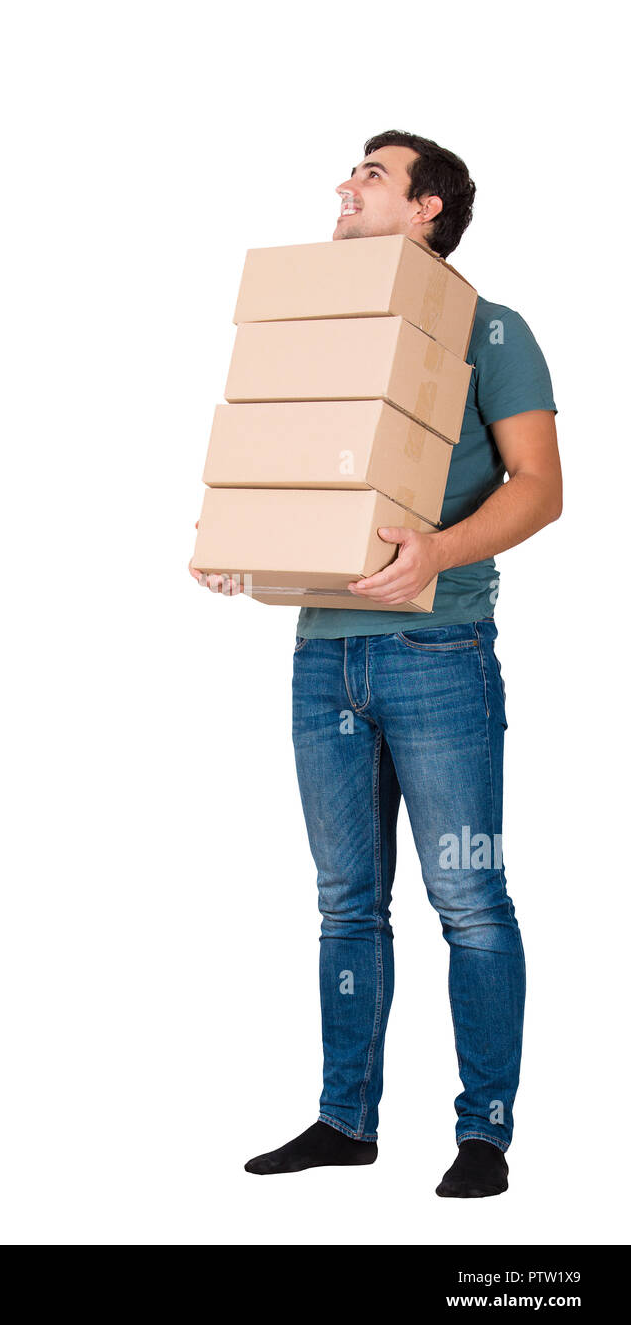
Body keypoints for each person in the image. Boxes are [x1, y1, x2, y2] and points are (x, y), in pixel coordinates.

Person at [188, 130, 562, 1197]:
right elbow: (287, 469)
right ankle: (342, 1120)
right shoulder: (327, 332)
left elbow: (539, 484)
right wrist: (241, 547)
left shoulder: (488, 331)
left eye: (370, 175)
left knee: (467, 896)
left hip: (437, 648)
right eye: (348, 171)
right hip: (321, 658)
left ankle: (481, 1131)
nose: (344, 187)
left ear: (426, 211)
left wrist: (437, 554)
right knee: (344, 902)